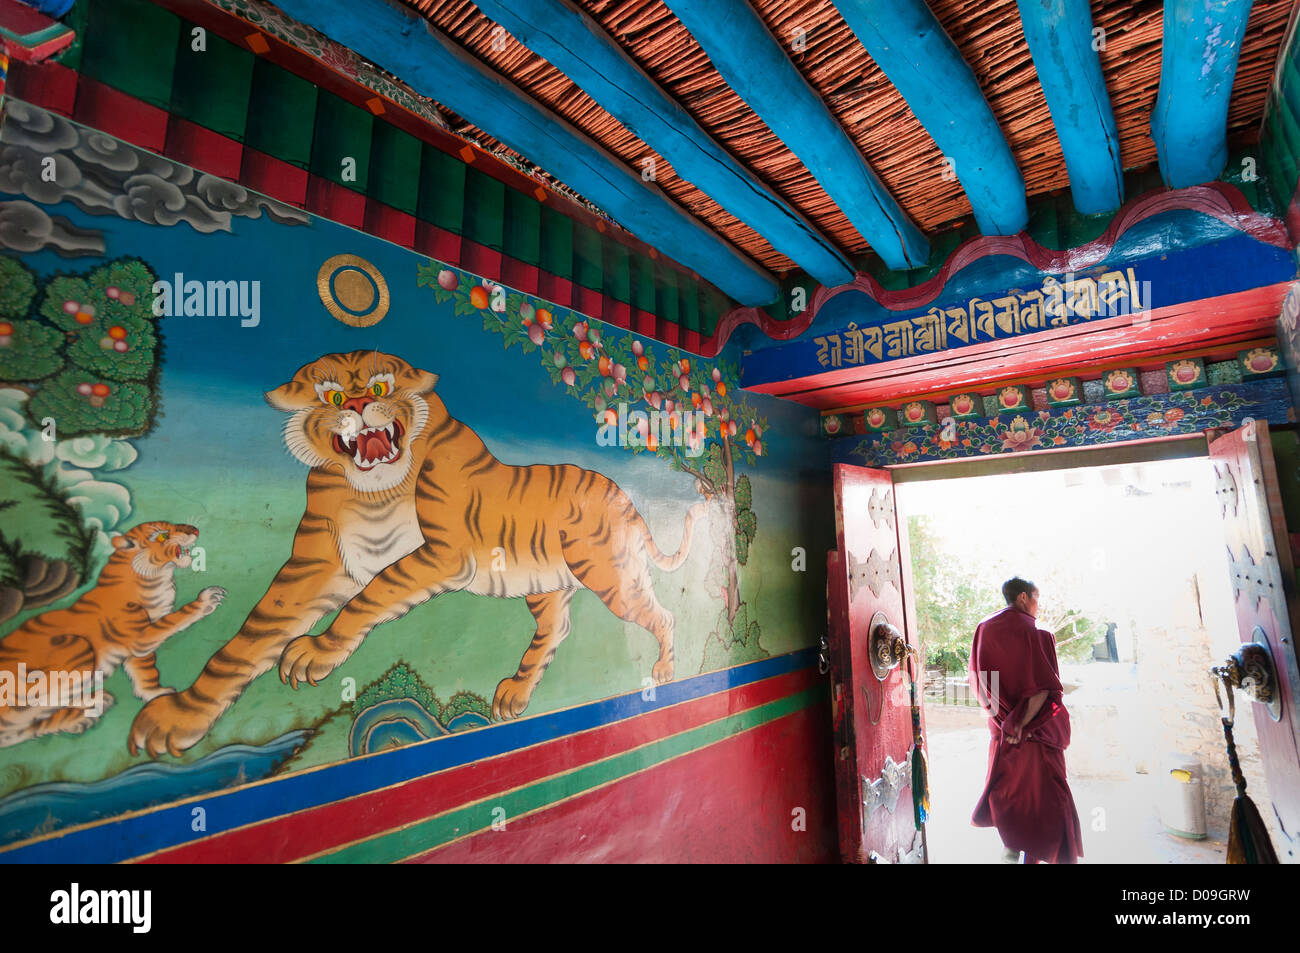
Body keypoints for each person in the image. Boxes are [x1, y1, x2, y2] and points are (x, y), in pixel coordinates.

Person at [968, 577, 1083, 864]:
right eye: (1036, 598)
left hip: (1002, 736)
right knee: (1047, 799)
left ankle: (1013, 847)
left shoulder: (984, 629)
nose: (1038, 606)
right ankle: (1041, 855)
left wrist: (1003, 721)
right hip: (1035, 736)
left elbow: (980, 682)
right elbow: (1044, 690)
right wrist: (1020, 725)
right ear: (1022, 597)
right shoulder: (1038, 633)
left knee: (1010, 795)